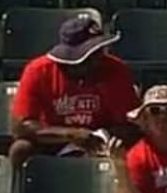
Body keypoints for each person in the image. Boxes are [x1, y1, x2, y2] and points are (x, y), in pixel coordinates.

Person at [9, 18, 140, 170]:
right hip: (53, 141)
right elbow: (21, 127)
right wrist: (69, 134)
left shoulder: (116, 69)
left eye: (99, 50)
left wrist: (102, 136)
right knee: (20, 149)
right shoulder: (38, 70)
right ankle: (20, 192)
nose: (98, 58)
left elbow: (131, 124)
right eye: (91, 54)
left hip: (101, 140)